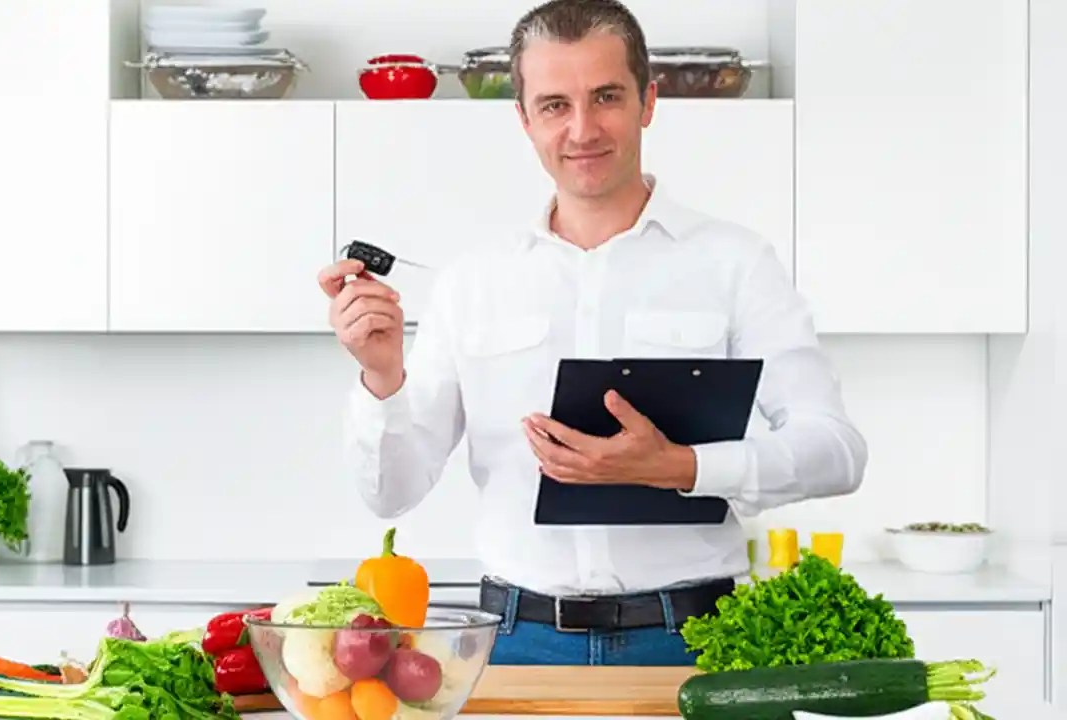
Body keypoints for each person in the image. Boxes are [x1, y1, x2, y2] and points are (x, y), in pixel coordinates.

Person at [317, 0, 867, 666]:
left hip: (695, 640)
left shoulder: (736, 263)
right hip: (514, 643)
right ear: (524, 119)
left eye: (606, 96)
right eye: (554, 105)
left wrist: (683, 468)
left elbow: (837, 451)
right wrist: (382, 378)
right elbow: (390, 493)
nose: (582, 129)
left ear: (648, 101)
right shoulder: (473, 280)